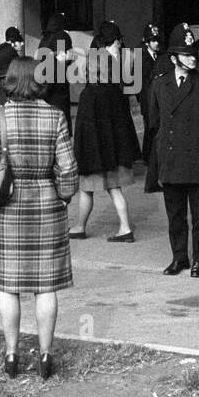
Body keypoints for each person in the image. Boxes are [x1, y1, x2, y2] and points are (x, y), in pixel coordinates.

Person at [0, 57, 78, 380]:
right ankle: (45, 356)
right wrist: (62, 194)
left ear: (10, 81)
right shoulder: (56, 116)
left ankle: (12, 355)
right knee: (46, 286)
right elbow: (69, 171)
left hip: (5, 210)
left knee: (7, 286)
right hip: (46, 205)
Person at [147, 24, 199, 278]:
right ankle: (179, 257)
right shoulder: (160, 85)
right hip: (171, 159)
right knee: (175, 216)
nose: (193, 58)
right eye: (186, 54)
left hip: (198, 159)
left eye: (194, 53)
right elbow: (155, 122)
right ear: (173, 58)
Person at [69, 21, 139, 242]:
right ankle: (124, 227)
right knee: (114, 188)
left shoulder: (89, 94)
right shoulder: (117, 89)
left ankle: (80, 226)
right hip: (113, 151)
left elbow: (83, 128)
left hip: (94, 152)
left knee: (87, 188)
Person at [37, 13, 73, 130]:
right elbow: (66, 58)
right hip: (58, 84)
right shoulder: (62, 36)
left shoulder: (44, 39)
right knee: (61, 123)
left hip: (44, 84)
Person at [137, 22, 163, 162]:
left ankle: (150, 154)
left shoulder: (158, 56)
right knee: (149, 126)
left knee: (154, 126)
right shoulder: (141, 57)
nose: (156, 43)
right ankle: (148, 156)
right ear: (147, 42)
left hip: (155, 97)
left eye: (157, 40)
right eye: (153, 40)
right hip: (147, 98)